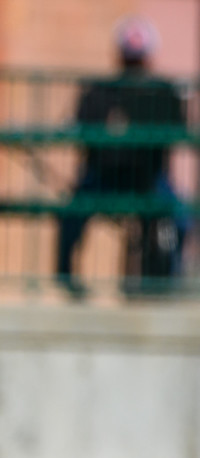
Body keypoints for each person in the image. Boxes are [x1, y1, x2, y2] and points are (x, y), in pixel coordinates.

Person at [55, 15, 188, 299]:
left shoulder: (164, 93)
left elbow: (180, 131)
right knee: (70, 214)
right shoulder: (99, 91)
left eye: (136, 60)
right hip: (103, 178)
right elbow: (78, 129)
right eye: (131, 60)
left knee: (178, 219)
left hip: (148, 180)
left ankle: (168, 280)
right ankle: (66, 278)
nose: (134, 67)